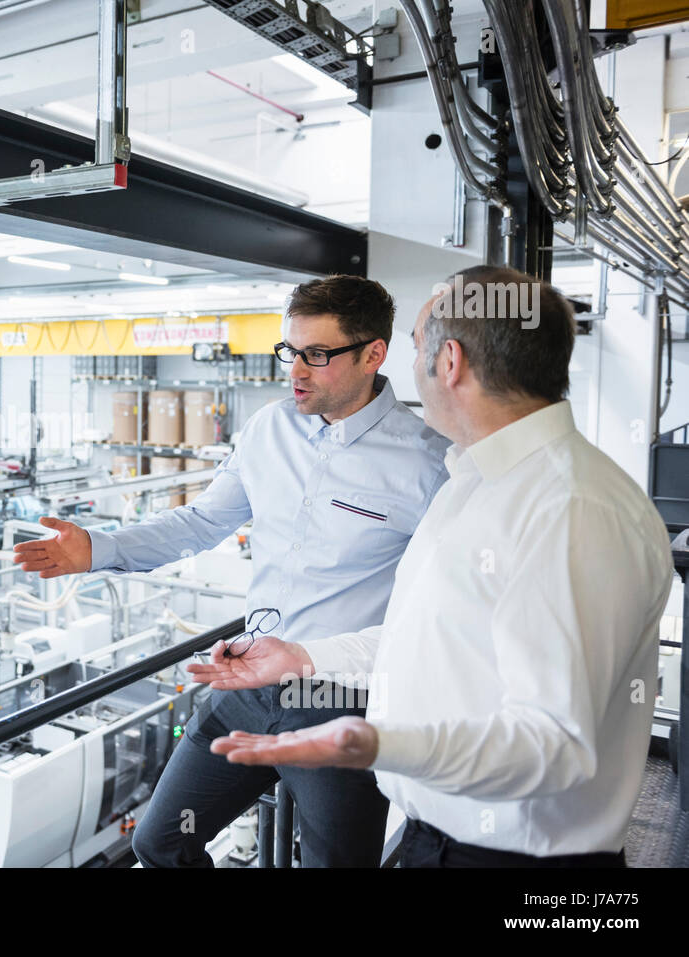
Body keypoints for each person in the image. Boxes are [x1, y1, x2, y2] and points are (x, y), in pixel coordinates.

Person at [202, 265, 675, 867]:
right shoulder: (473, 483)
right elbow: (424, 638)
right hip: (442, 839)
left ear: (448, 361)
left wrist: (374, 742)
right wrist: (306, 657)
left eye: (418, 347)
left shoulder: (570, 510)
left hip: (513, 863)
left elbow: (554, 745)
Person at [13, 275, 449, 867]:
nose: (295, 370)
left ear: (373, 354)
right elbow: (198, 523)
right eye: (289, 351)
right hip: (247, 681)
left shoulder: (427, 463)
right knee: (160, 841)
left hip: (340, 697)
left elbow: (437, 611)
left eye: (317, 355)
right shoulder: (268, 430)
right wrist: (101, 548)